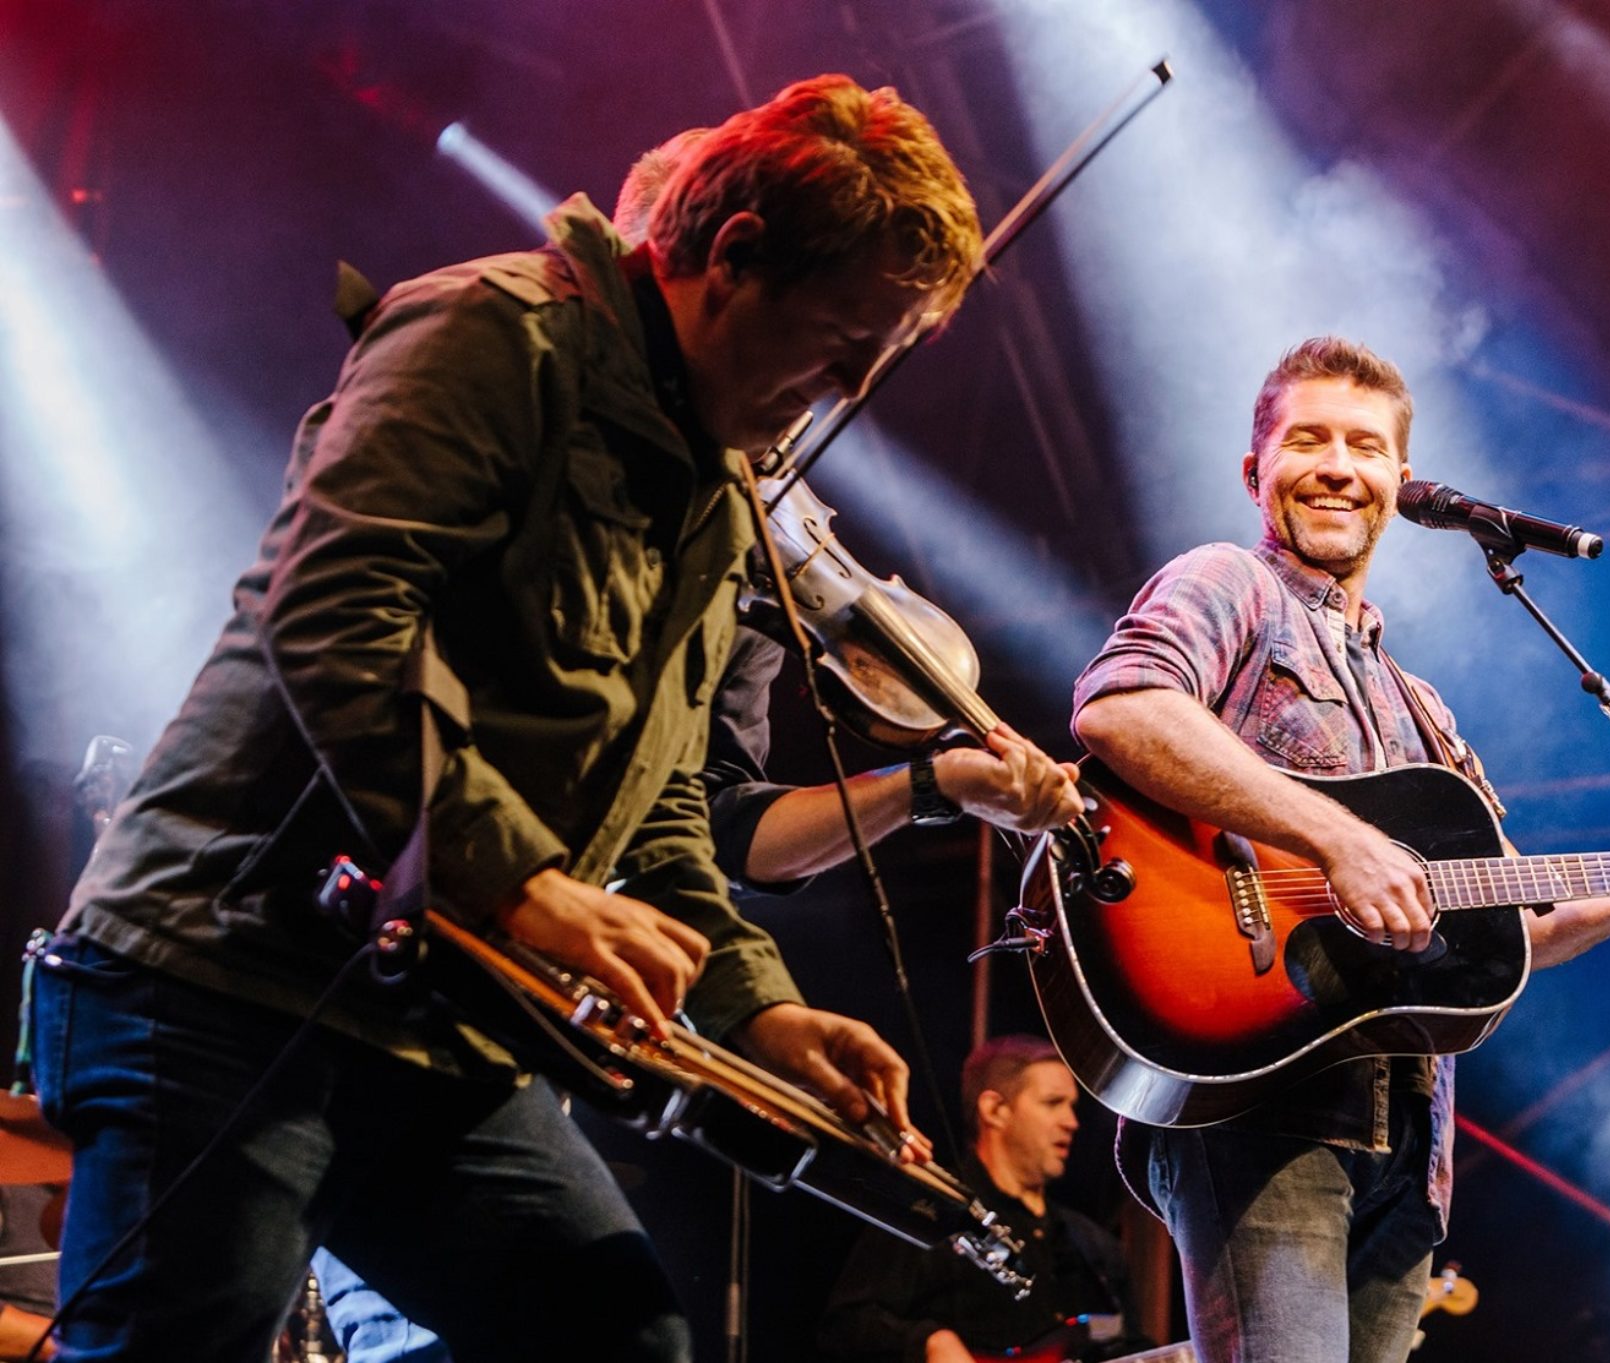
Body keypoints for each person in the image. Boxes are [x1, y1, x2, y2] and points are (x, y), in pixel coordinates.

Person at [30, 73, 985, 1363]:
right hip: (225, 980)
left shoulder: (717, 492)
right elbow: (333, 619)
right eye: (836, 348)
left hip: (433, 1029)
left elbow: (655, 813)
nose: (837, 397)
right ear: (735, 256)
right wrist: (526, 884)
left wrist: (757, 1009)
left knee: (621, 1342)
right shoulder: (486, 337)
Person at [1068, 336, 1610, 1363]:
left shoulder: (1422, 711)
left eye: (1366, 446)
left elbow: (1510, 926)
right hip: (1263, 1104)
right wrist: (1337, 839)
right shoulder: (1227, 587)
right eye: (1310, 439)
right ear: (1255, 472)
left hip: (1407, 1151)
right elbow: (1121, 708)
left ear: (1397, 482)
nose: (1339, 463)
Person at [818, 1035, 1145, 1363]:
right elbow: (845, 1327)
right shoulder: (928, 1211)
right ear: (994, 1110)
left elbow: (1130, 1348)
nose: (1071, 1122)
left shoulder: (1096, 1247)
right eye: (1052, 1103)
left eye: (1071, 1107)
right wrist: (928, 1342)